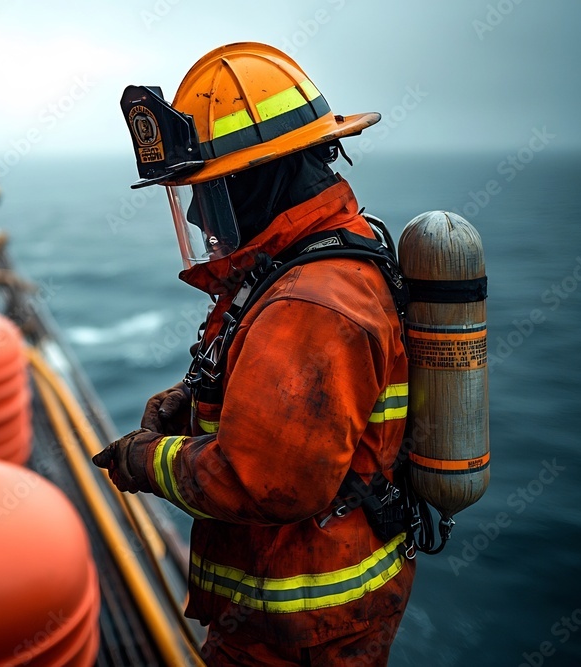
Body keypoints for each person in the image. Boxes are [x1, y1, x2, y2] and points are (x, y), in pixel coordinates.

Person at [93, 43, 414, 666]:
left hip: (300, 636)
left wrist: (143, 460)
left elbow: (264, 482)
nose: (196, 212)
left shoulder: (311, 302)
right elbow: (300, 407)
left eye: (210, 191)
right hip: (296, 625)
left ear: (259, 178)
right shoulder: (311, 261)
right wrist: (196, 401)